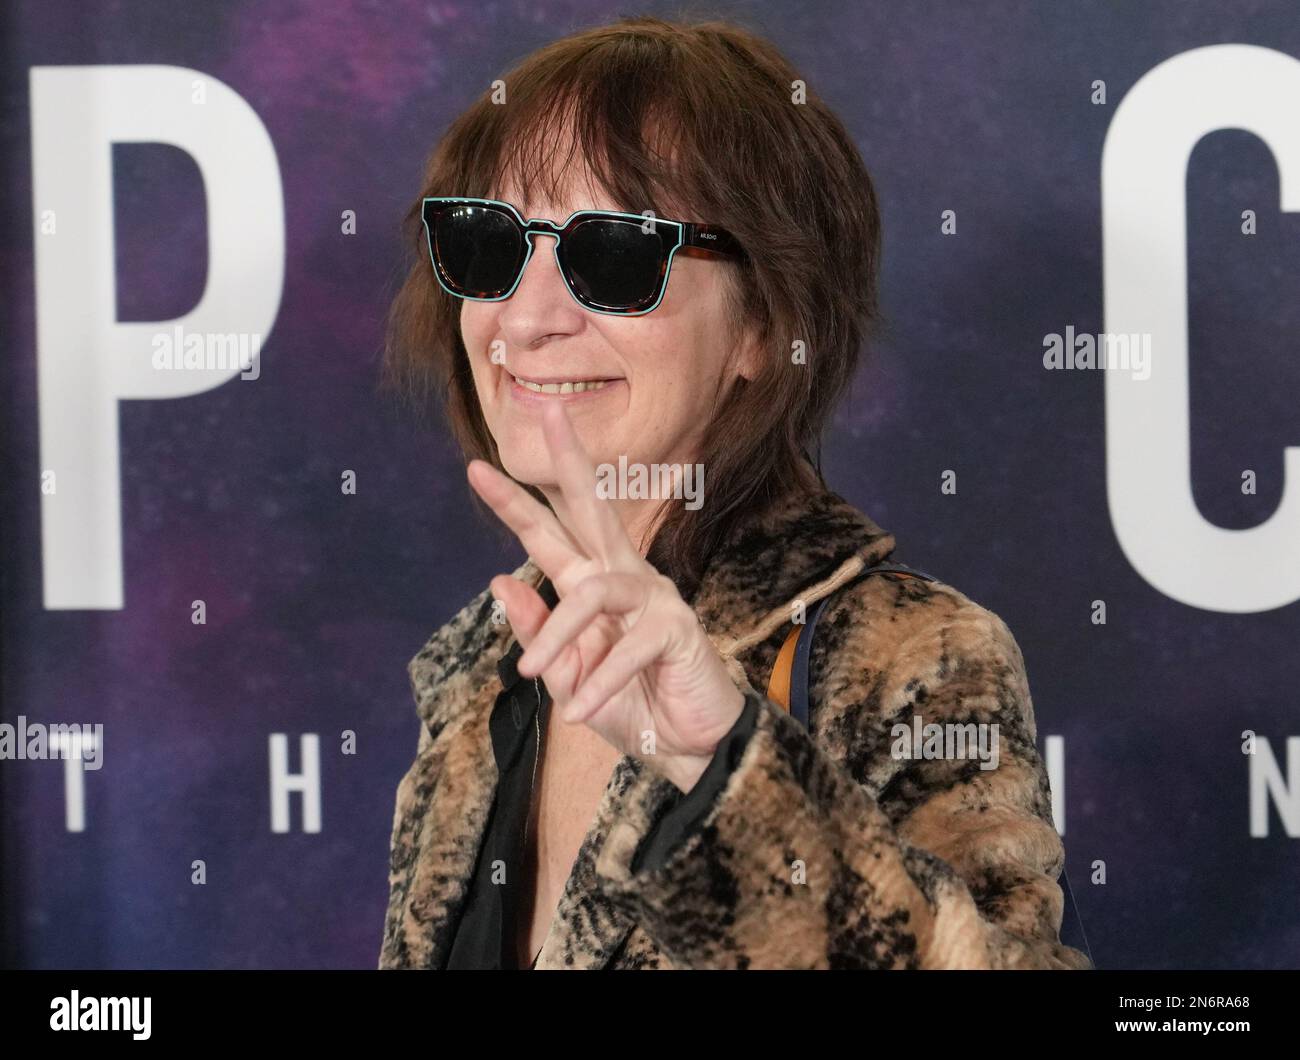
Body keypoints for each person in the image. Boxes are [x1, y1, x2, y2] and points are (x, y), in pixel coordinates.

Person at [378, 14, 1092, 970]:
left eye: (615, 255)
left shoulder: (906, 655)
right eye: (487, 245)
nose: (529, 318)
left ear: (763, 324)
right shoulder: (484, 667)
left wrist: (726, 772)